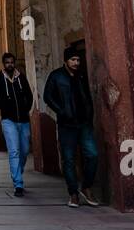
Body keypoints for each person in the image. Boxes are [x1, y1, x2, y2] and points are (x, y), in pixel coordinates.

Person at [43, 45, 113, 208]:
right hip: (67, 124)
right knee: (68, 159)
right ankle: (73, 193)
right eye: (73, 60)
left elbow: (87, 97)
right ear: (66, 60)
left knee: (93, 155)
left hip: (84, 123)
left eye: (78, 60)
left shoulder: (81, 76)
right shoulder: (56, 76)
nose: (76, 62)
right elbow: (47, 96)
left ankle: (86, 187)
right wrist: (62, 111)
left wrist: (89, 114)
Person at [0, 51, 34, 197]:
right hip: (8, 120)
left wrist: (25, 108)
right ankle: (18, 184)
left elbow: (29, 95)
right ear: (4, 64)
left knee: (25, 150)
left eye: (11, 62)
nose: (10, 65)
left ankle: (18, 172)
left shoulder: (21, 78)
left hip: (23, 119)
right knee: (14, 151)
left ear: (14, 63)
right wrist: (4, 106)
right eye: (7, 62)